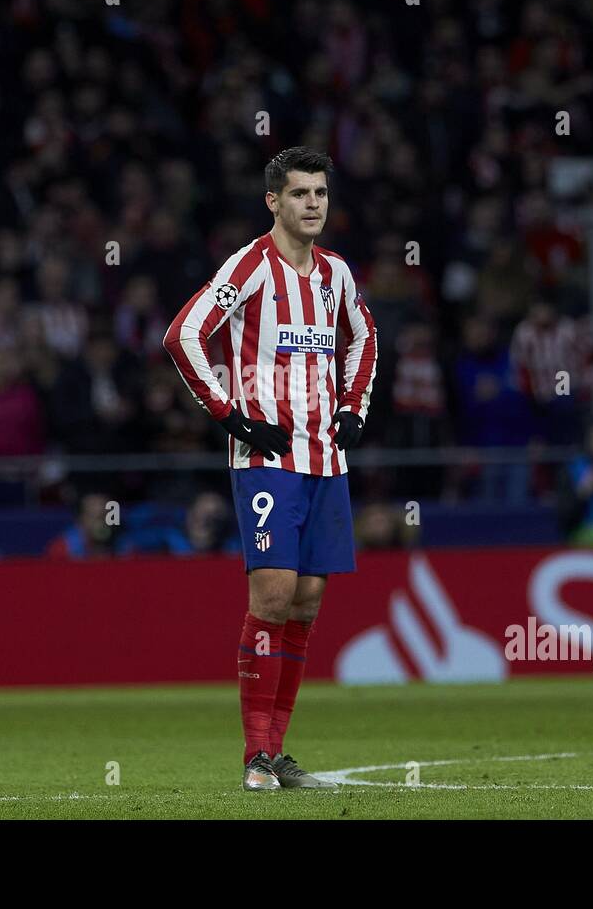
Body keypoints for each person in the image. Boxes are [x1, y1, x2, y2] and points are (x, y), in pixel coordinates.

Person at [163, 146, 377, 792]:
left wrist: (353, 409)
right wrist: (232, 416)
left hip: (325, 458)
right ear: (273, 202)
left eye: (320, 193)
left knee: (307, 604)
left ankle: (278, 754)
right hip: (267, 458)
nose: (313, 204)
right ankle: (255, 755)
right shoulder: (250, 266)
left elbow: (363, 339)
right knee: (275, 593)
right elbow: (183, 334)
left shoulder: (336, 274)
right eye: (300, 194)